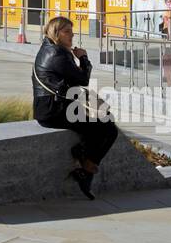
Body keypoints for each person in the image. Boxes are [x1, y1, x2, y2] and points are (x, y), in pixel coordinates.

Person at [32, 16, 119, 200]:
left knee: (101, 123)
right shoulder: (57, 54)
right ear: (56, 33)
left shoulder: (49, 49)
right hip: (54, 111)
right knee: (109, 128)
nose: (72, 35)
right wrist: (84, 58)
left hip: (51, 107)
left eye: (72, 31)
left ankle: (82, 154)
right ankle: (87, 170)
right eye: (67, 32)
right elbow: (82, 80)